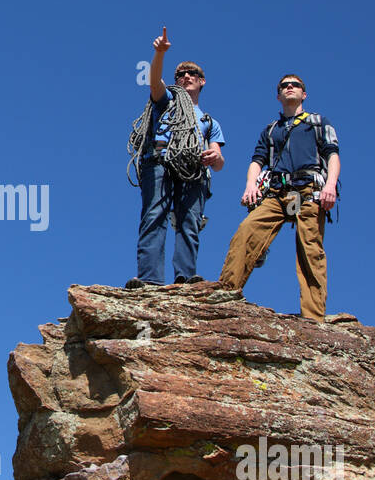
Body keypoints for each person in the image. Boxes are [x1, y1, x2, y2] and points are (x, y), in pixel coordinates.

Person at [217, 73, 340, 320]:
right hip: (276, 191)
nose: (289, 88)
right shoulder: (271, 130)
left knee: (310, 249)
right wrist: (250, 186)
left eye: (295, 85)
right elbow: (257, 160)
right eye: (284, 86)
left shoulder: (317, 122)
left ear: (303, 94)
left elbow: (332, 154)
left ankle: (313, 317)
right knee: (247, 232)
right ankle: (225, 294)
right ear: (278, 96)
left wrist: (331, 186)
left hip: (309, 189)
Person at [127, 27, 225, 287]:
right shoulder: (167, 99)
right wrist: (159, 53)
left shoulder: (208, 121)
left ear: (202, 81)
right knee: (154, 215)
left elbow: (220, 161)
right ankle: (150, 278)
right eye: (180, 74)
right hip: (159, 161)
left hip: (192, 169)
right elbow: (155, 81)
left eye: (192, 73)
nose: (186, 77)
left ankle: (185, 277)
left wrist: (214, 155)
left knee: (189, 221)